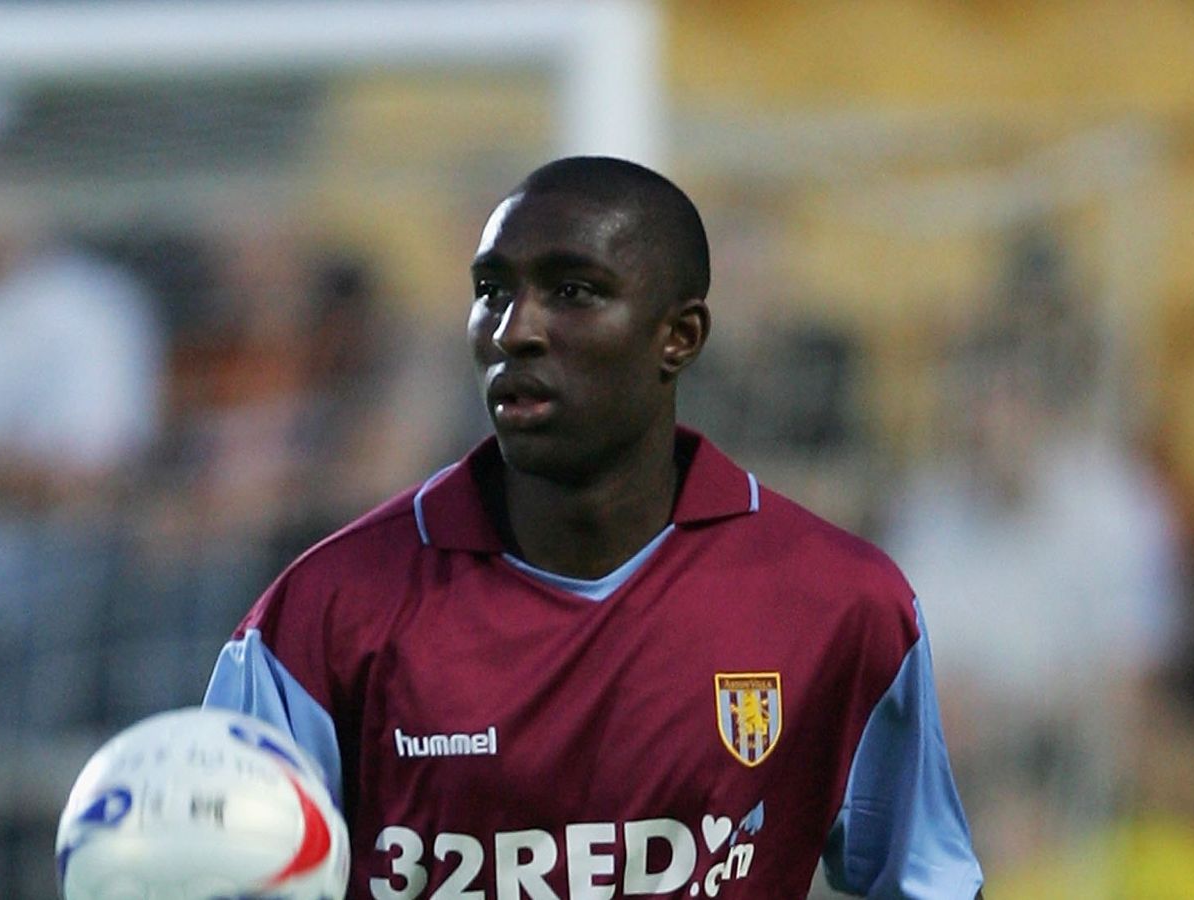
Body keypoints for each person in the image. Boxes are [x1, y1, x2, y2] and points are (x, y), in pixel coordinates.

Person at [203, 157, 984, 899]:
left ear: (679, 336)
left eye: (572, 291)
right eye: (491, 291)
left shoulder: (838, 604)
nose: (514, 330)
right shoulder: (319, 618)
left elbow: (928, 879)